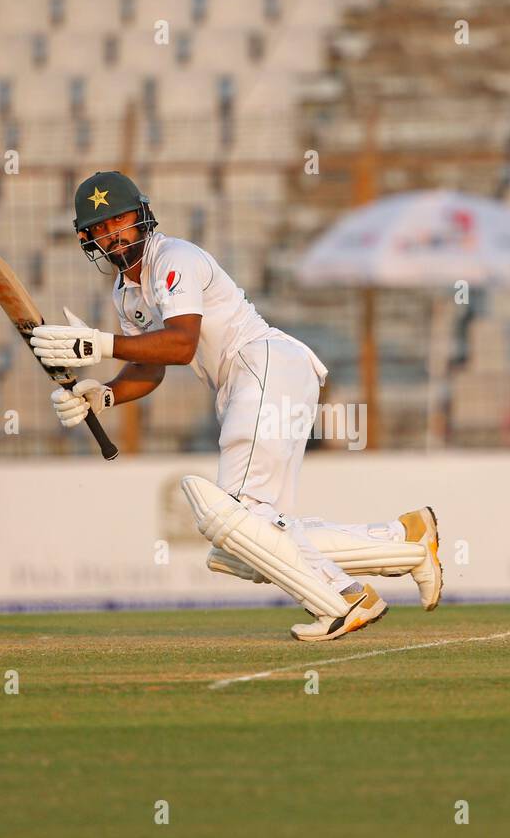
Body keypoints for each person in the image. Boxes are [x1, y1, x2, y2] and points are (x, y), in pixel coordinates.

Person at [31, 171, 442, 640]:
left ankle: (345, 598)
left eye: (119, 220)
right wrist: (105, 394)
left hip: (262, 365)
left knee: (238, 518)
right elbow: (152, 367)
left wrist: (99, 345)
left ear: (142, 215)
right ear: (89, 239)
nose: (113, 234)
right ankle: (405, 540)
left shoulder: (175, 258)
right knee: (246, 544)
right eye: (101, 228)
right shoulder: (127, 292)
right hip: (254, 382)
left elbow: (181, 344)